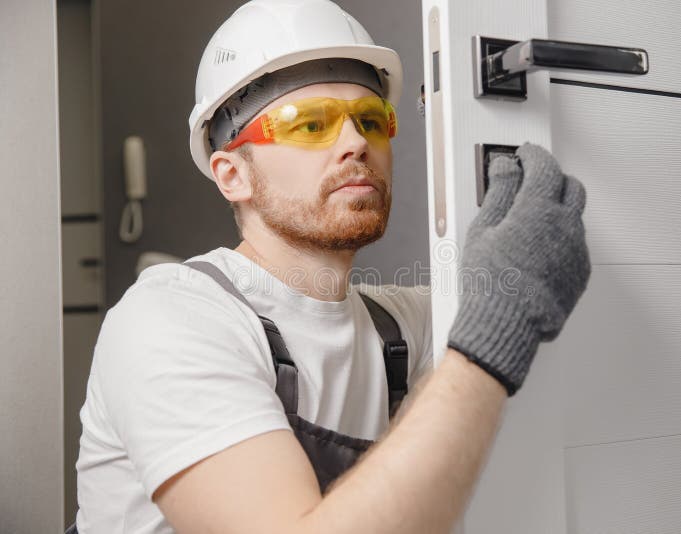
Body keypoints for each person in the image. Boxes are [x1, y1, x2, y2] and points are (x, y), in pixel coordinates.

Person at [70, 0, 591, 532]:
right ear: (232, 175)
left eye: (371, 120)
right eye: (311, 124)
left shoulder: (400, 328)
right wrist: (489, 343)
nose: (357, 143)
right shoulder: (171, 320)